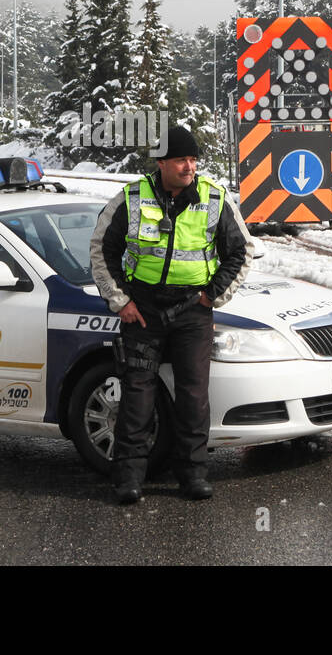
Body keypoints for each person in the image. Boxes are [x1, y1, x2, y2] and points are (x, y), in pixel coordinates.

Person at [90, 125, 254, 503]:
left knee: (194, 396)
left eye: (194, 160)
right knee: (137, 394)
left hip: (192, 313)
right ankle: (129, 477)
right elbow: (102, 249)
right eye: (181, 159)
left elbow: (241, 251)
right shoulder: (131, 198)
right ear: (161, 162)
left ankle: (193, 475)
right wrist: (121, 301)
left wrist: (212, 296)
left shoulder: (214, 198)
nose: (189, 167)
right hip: (142, 312)